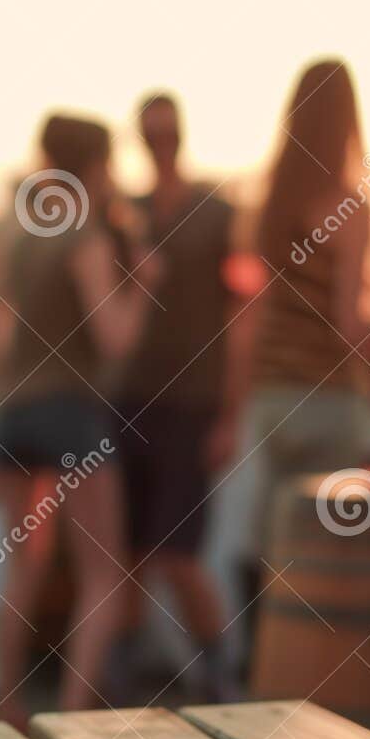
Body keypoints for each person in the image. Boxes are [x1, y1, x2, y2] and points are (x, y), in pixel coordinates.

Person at [0, 114, 155, 724]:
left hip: (13, 413)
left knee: (23, 569)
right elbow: (113, 338)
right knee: (103, 573)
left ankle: (4, 707)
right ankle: (71, 718)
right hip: (70, 412)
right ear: (94, 166)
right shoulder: (84, 236)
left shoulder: (20, 232)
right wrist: (142, 288)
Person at [113, 93, 254, 702]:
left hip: (193, 404)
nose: (160, 144)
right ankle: (122, 681)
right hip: (125, 401)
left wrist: (231, 414)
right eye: (151, 135)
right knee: (127, 555)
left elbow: (246, 313)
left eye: (168, 133)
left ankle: (222, 673)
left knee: (180, 552)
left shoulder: (220, 214)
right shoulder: (125, 216)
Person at [242, 61, 370, 608]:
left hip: (272, 397)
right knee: (328, 551)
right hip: (328, 398)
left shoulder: (272, 207)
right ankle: (317, 678)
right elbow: (348, 325)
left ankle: (268, 669)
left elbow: (262, 307)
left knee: (278, 545)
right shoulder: (350, 206)